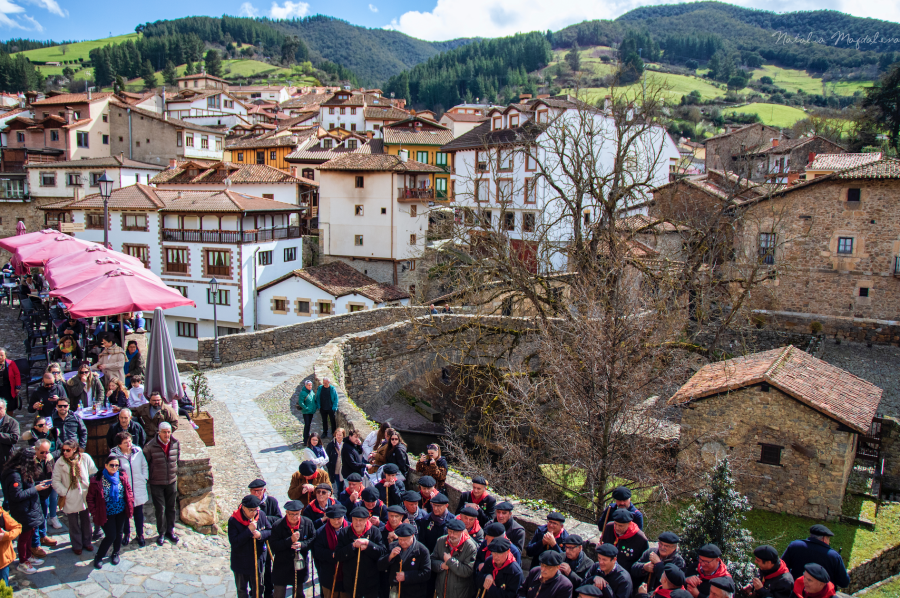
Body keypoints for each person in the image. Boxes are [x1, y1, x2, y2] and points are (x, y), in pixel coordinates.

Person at [1, 448, 49, 574]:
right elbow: (16, 496)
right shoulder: (14, 475)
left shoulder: (22, 471)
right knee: (24, 537)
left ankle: (28, 556)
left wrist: (39, 484)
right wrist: (36, 489)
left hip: (30, 510)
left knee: (30, 534)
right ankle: (22, 562)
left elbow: (27, 486)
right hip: (23, 511)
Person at [86, 455, 134, 569]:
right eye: (111, 465)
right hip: (106, 512)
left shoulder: (122, 476)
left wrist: (130, 501)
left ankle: (115, 553)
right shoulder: (97, 480)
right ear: (106, 465)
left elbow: (128, 490)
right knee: (110, 535)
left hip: (120, 511)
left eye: (116, 465)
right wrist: (94, 512)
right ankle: (99, 556)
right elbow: (90, 498)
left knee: (119, 533)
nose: (114, 467)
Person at [51, 439, 97, 554]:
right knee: (73, 522)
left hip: (84, 494)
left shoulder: (85, 458)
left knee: (86, 520)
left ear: (75, 449)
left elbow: (93, 473)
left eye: (68, 450)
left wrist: (91, 488)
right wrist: (65, 492)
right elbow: (55, 481)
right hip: (70, 496)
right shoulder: (60, 462)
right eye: (63, 450)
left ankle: (87, 542)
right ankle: (77, 544)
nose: (65, 452)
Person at [270, 499, 316, 598]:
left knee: (299, 593)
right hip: (282, 566)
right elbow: (274, 545)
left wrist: (302, 545)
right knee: (278, 594)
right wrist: (289, 541)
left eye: (297, 514)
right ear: (286, 513)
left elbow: (312, 539)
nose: (294, 517)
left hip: (299, 566)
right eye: (291, 514)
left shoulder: (307, 523)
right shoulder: (277, 526)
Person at [110, 431, 149, 548]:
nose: (129, 444)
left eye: (130, 441)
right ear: (119, 445)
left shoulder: (138, 451)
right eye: (125, 442)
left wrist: (144, 478)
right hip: (123, 488)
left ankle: (140, 534)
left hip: (138, 486)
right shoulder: (114, 455)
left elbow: (144, 465)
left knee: (138, 512)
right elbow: (111, 471)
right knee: (125, 512)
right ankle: (126, 533)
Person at [336, 506, 386, 598]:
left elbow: (382, 553)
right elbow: (338, 555)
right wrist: (353, 546)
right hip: (351, 581)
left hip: (370, 582)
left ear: (367, 520)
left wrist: (369, 545)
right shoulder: (344, 533)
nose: (357, 523)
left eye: (360, 520)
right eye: (355, 520)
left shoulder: (375, 532)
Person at [229, 494, 272, 598]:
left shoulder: (260, 515)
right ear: (243, 508)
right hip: (241, 562)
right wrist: (248, 530)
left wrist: (260, 535)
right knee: (242, 590)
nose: (254, 513)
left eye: (255, 510)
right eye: (251, 510)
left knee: (258, 589)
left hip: (257, 561)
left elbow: (270, 531)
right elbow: (234, 542)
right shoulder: (234, 520)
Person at [780, 525, 849, 589]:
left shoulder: (794, 546)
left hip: (795, 592)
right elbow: (844, 583)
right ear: (824, 538)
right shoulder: (834, 556)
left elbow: (782, 568)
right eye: (828, 539)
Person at [144, 421, 179, 546]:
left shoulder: (175, 444)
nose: (167, 435)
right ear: (159, 432)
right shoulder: (150, 446)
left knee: (171, 507)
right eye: (164, 432)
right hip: (156, 482)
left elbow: (176, 460)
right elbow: (146, 464)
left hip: (171, 480)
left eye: (168, 432)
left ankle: (171, 530)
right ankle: (162, 532)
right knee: (160, 509)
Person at [378, 523, 431, 598]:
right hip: (395, 590)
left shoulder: (422, 550)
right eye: (400, 539)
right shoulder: (392, 546)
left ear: (412, 536)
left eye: (405, 540)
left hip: (414, 592)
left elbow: (426, 573)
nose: (402, 542)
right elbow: (380, 566)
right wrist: (389, 557)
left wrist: (406, 576)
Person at [250, 478, 282, 598]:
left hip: (268, 539)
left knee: (268, 566)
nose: (257, 494)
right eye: (254, 491)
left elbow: (279, 519)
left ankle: (269, 591)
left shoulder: (271, 502)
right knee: (255, 568)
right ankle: (255, 591)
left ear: (264, 490)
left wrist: (263, 519)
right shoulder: (248, 503)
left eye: (259, 491)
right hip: (254, 540)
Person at [431, 517, 477, 598]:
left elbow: (467, 571)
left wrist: (450, 561)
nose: (451, 535)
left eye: (455, 533)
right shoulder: (440, 541)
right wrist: (441, 565)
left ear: (462, 532)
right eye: (449, 531)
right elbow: (432, 561)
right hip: (441, 591)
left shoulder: (470, 547)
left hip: (460, 593)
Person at [311, 504, 348, 598]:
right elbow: (318, 552)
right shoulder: (320, 532)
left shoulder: (350, 529)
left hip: (347, 575)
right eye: (333, 519)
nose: (336, 521)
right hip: (329, 575)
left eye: (339, 518)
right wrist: (332, 555)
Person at [600, 509, 649, 573]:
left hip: (628, 575)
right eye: (615, 524)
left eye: (621, 526)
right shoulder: (609, 527)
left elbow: (644, 562)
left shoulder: (640, 538)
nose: (617, 528)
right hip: (607, 571)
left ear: (629, 524)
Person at [31, 439, 60, 548]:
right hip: (33, 494)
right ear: (36, 449)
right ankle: (35, 544)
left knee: (43, 515)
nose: (45, 455)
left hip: (45, 493)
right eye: (42, 452)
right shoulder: (30, 460)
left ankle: (43, 536)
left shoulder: (49, 458)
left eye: (47, 452)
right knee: (35, 520)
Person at [0, 503, 22, 587]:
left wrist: (5, 536)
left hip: (2, 562)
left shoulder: (2, 516)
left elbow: (18, 528)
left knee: (3, 588)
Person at [0, 400, 20, 475]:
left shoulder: (12, 422)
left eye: (0, 408)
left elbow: (14, 438)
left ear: (5, 409)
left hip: (6, 459)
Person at [326, 428, 345, 494]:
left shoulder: (345, 445)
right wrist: (329, 466)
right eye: (337, 435)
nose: (338, 436)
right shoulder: (331, 445)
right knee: (338, 486)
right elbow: (327, 456)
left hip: (343, 469)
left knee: (343, 486)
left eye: (340, 435)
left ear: (343, 436)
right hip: (335, 468)